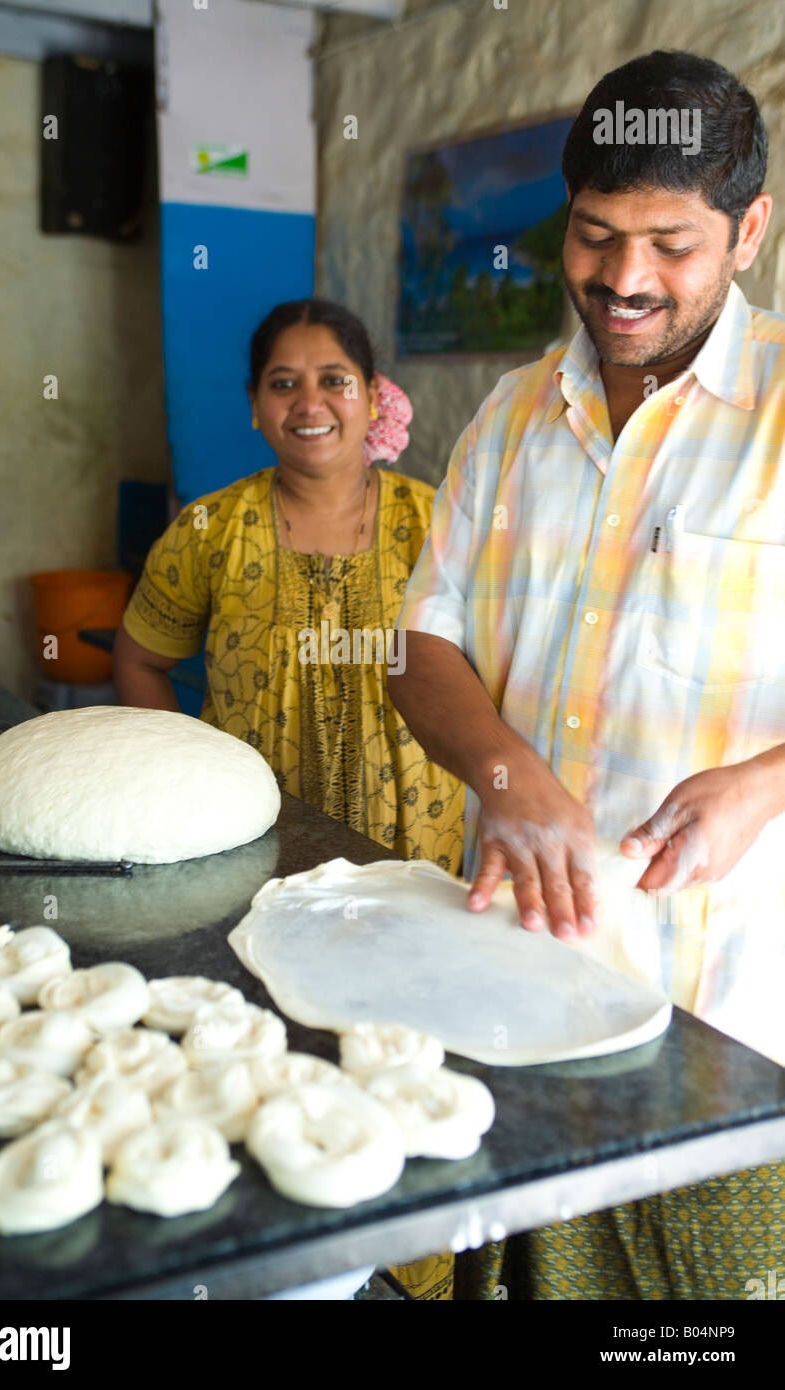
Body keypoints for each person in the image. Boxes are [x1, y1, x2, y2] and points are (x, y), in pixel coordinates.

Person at [390, 49, 785, 1300]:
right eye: (595, 235)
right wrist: (505, 773)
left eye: (670, 243)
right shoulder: (510, 416)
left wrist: (766, 782)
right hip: (525, 973)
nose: (622, 280)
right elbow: (420, 642)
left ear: (749, 231)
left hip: (732, 1024)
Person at [114, 298, 464, 1300]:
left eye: (332, 379)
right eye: (283, 382)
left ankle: (408, 1267)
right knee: (268, 1049)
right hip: (254, 864)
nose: (308, 399)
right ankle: (279, 1267)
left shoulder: (435, 523)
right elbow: (139, 655)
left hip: (415, 861)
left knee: (406, 1057)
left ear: (369, 399)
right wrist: (178, 781)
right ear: (257, 410)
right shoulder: (209, 530)